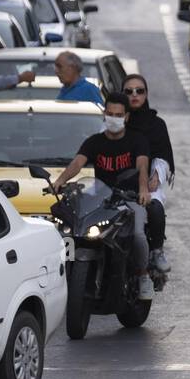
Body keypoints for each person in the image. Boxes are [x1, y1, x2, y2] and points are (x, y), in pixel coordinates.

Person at [50, 92, 156, 300]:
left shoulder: (137, 140)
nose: (113, 118)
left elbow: (142, 166)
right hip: (101, 198)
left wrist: (143, 190)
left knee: (138, 234)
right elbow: (77, 164)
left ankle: (143, 276)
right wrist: (60, 181)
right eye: (109, 113)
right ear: (104, 115)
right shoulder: (94, 142)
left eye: (118, 115)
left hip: (129, 198)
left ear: (126, 117)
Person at [123, 74, 174, 273]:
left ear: (146, 94)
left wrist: (156, 176)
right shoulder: (116, 120)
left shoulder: (156, 124)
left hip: (147, 185)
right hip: (117, 184)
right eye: (129, 91)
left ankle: (156, 251)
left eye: (139, 91)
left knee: (155, 209)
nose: (134, 95)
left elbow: (163, 156)